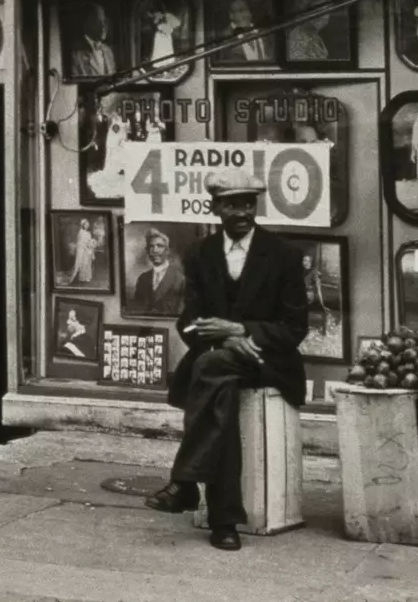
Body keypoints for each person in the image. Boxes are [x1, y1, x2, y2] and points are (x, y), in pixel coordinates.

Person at [145, 170, 309, 551]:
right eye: (232, 203)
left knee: (208, 369)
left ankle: (186, 484)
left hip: (268, 360)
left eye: (248, 203)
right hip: (220, 359)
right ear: (215, 206)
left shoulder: (283, 255)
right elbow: (188, 321)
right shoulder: (200, 254)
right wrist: (225, 339)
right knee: (219, 385)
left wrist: (240, 332)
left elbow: (294, 328)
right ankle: (223, 522)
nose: (241, 211)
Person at [127, 227, 185, 317]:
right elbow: (136, 309)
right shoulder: (143, 279)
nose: (155, 250)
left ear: (167, 251)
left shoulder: (179, 279)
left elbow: (182, 314)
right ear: (147, 251)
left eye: (159, 246)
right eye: (151, 246)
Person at [69, 217, 99, 286]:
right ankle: (82, 278)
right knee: (83, 264)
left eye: (87, 224)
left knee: (88, 264)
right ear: (83, 225)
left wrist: (92, 246)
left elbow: (90, 242)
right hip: (83, 250)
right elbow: (80, 243)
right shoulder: (81, 232)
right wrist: (85, 248)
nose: (87, 226)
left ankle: (87, 278)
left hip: (88, 250)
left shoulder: (88, 233)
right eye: (85, 224)